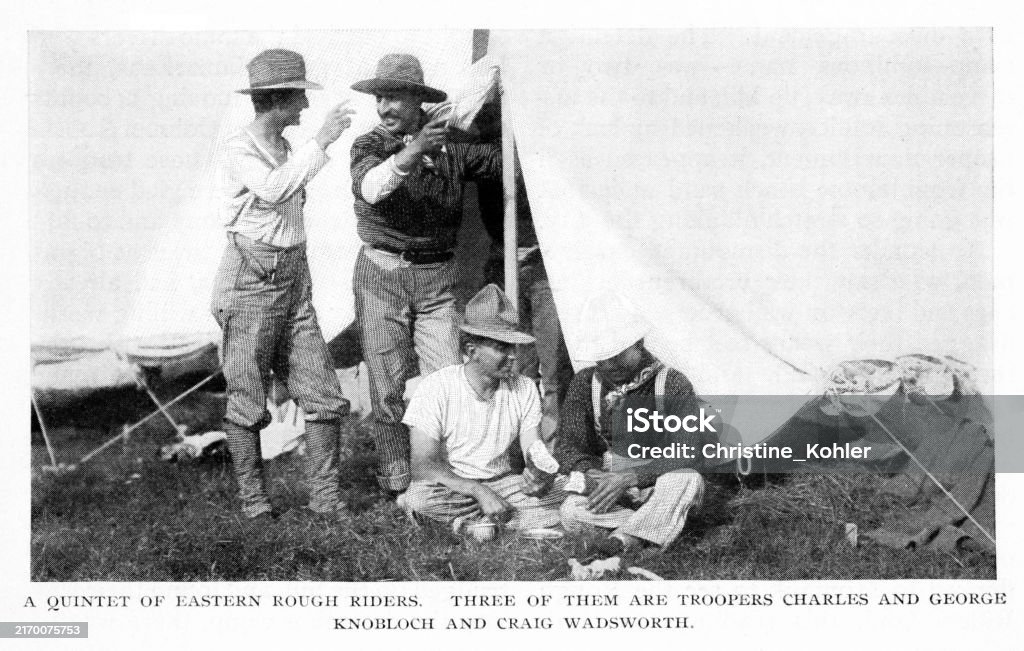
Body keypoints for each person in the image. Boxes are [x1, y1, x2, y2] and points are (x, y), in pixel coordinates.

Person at [349, 53, 507, 493]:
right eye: (380, 98)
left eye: (394, 98)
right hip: (381, 274)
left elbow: (505, 160)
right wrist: (417, 147)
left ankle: (451, 475)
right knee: (387, 384)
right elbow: (372, 187)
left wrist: (493, 115)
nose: (383, 108)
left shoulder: (451, 149)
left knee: (446, 379)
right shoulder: (369, 146)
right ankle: (399, 479)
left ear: (419, 102)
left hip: (436, 278)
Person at [210, 49, 355, 522]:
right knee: (248, 395)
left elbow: (286, 197)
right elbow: (273, 190)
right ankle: (254, 503)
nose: (305, 108)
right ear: (278, 99)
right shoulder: (240, 148)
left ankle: (326, 499)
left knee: (323, 395)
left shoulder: (288, 150)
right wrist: (325, 141)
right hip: (251, 282)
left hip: (293, 277)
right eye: (299, 98)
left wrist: (313, 147)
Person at [399, 284, 566, 532]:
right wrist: (478, 491)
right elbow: (424, 467)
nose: (512, 356)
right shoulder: (436, 386)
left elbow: (533, 445)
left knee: (566, 489)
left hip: (504, 483)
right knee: (419, 499)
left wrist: (538, 472)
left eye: (513, 347)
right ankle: (491, 522)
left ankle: (472, 525)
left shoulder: (525, 387)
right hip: (453, 487)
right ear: (471, 350)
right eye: (501, 348)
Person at [555, 294, 708, 556]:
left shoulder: (671, 383)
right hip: (610, 487)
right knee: (569, 511)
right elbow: (568, 445)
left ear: (638, 344)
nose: (608, 365)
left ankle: (622, 538)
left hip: (658, 485)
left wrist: (633, 478)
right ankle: (650, 530)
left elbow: (687, 450)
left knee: (687, 479)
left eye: (616, 355)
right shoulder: (585, 383)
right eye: (601, 358)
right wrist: (594, 476)